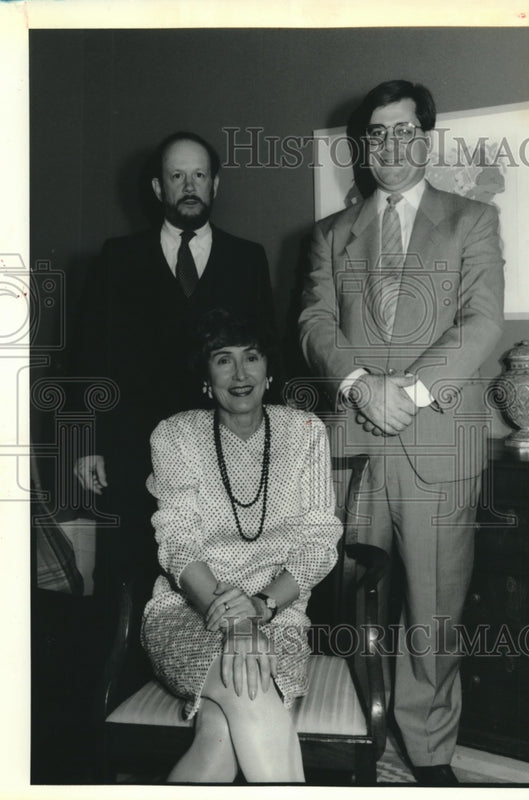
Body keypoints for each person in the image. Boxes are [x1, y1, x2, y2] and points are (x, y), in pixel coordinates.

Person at [299, 80, 504, 786]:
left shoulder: (471, 221)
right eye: (375, 134)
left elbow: (481, 325)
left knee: (434, 609)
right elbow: (315, 325)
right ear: (363, 147)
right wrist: (359, 387)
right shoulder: (331, 233)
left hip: (438, 445)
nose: (389, 146)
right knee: (348, 604)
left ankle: (430, 754)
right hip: (351, 450)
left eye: (402, 130)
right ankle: (358, 736)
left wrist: (407, 394)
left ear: (426, 137)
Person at [72, 131, 275, 602]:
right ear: (158, 188)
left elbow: (267, 357)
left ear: (215, 186)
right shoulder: (117, 257)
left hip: (221, 448)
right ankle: (121, 677)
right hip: (130, 449)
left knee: (215, 576)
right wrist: (87, 443)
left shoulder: (248, 258)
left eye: (199, 175)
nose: (189, 185)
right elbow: (87, 353)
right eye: (177, 175)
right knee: (127, 573)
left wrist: (265, 448)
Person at [141, 309, 342, 783]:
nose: (240, 374)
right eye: (223, 360)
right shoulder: (175, 435)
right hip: (188, 610)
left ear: (269, 370)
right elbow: (178, 544)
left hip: (279, 612)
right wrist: (235, 622)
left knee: (221, 733)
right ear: (206, 377)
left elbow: (318, 542)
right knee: (250, 692)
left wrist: (261, 607)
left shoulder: (305, 432)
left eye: (251, 357)